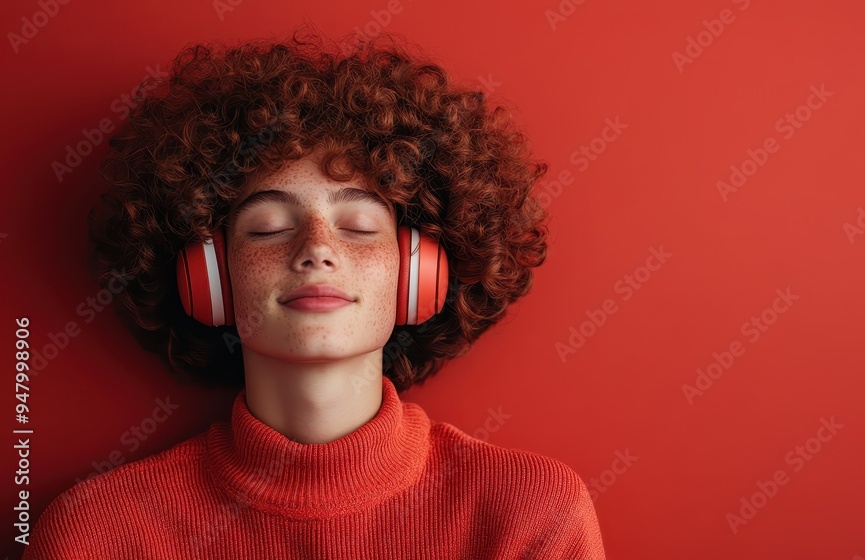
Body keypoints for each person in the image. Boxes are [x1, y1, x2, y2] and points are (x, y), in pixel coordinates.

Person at [22, 24, 606, 559]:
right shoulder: (97, 532)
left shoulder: (531, 515)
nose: (316, 249)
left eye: (359, 227)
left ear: (418, 270)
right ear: (209, 275)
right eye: (268, 228)